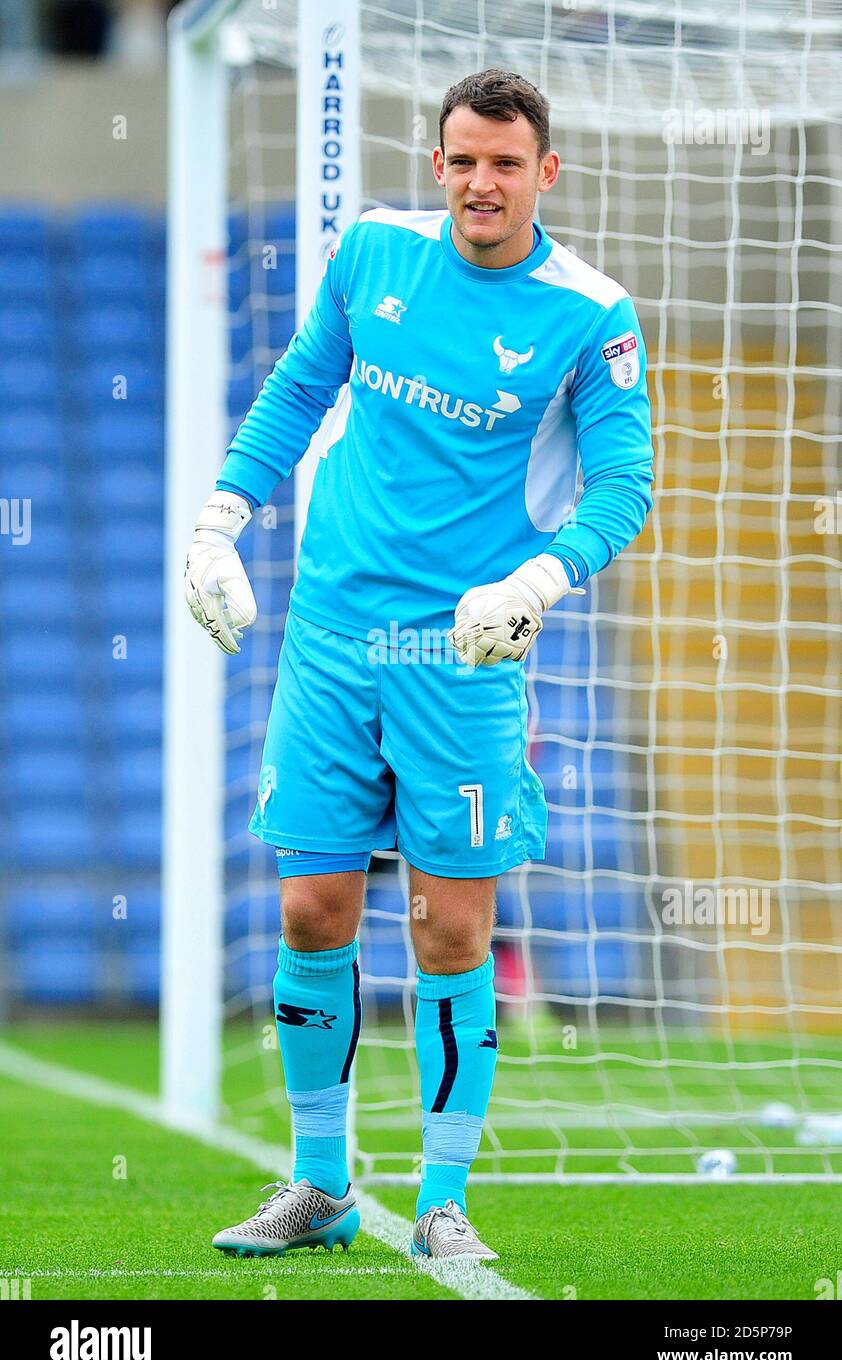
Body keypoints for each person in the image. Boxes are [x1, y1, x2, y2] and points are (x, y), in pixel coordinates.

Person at [185, 68, 654, 1260]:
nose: (480, 182)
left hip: (461, 650)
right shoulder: (372, 254)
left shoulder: (589, 314)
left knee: (450, 928)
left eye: (505, 163)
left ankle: (442, 1197)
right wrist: (221, 522)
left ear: (544, 172)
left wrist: (538, 581)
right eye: (461, 159)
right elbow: (298, 389)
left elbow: (622, 487)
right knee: (310, 907)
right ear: (436, 162)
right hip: (334, 633)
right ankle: (320, 1184)